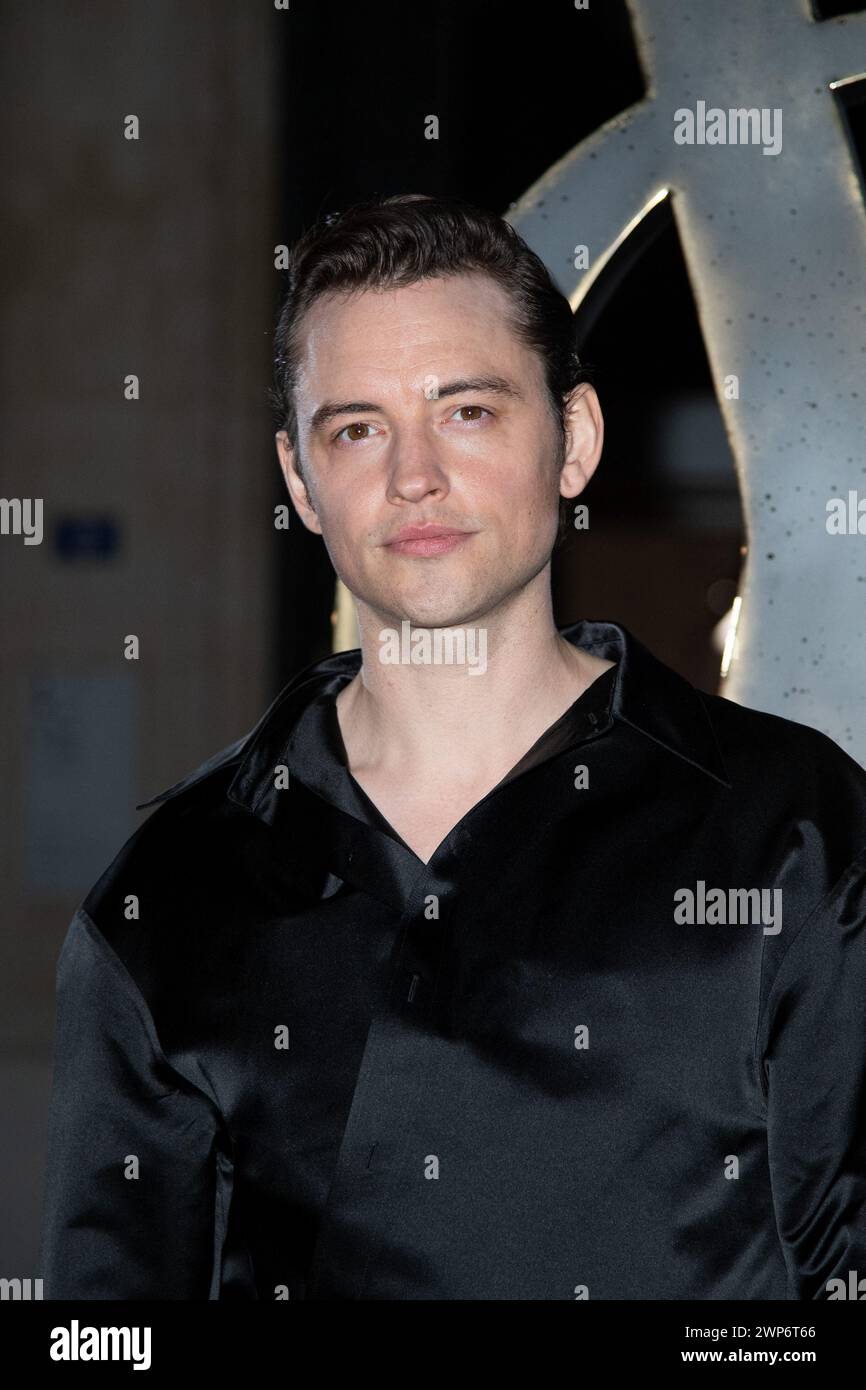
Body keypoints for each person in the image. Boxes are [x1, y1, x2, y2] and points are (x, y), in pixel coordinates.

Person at [39, 193, 866, 1300]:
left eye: (465, 412)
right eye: (357, 428)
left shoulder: (788, 826)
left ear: (570, 441)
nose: (411, 476)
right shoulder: (170, 895)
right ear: (301, 482)